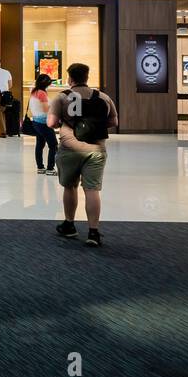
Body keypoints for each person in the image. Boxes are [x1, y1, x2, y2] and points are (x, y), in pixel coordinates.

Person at [48, 62, 119, 247]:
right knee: (92, 190)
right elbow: (114, 120)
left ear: (70, 78)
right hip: (96, 149)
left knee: (70, 187)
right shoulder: (103, 97)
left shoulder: (62, 97)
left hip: (69, 149)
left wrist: (64, 124)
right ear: (87, 77)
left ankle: (69, 225)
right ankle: (93, 232)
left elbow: (51, 122)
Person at [29, 74, 58, 176]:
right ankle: (50, 168)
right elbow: (46, 109)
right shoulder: (42, 93)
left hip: (36, 122)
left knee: (40, 145)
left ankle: (40, 167)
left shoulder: (34, 91)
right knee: (53, 145)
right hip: (44, 123)